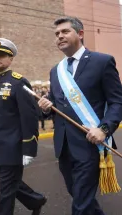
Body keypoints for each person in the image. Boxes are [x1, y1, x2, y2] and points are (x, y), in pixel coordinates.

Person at [38, 17, 122, 215]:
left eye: (65, 32)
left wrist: (104, 129)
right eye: (57, 34)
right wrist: (45, 107)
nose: (60, 36)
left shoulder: (102, 62)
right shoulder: (55, 71)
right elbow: (57, 103)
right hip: (64, 146)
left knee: (81, 204)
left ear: (80, 34)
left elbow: (117, 102)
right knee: (79, 196)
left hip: (90, 144)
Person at [0, 38, 47, 215]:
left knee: (6, 191)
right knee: (8, 184)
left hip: (13, 146)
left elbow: (29, 117)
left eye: (1, 55)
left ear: (11, 59)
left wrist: (29, 148)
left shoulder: (18, 82)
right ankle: (36, 200)